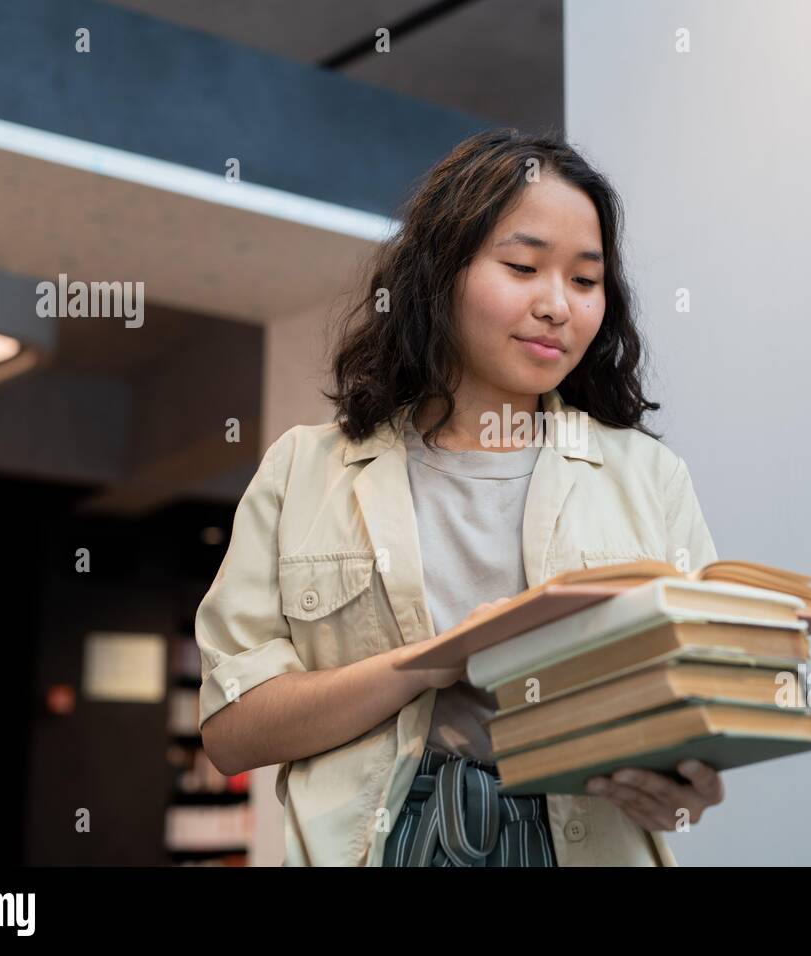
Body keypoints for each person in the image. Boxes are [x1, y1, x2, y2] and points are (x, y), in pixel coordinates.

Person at [196, 128, 725, 866]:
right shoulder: (304, 470)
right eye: (522, 266)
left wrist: (684, 790)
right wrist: (435, 661)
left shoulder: (649, 477)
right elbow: (231, 731)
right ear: (440, 273)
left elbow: (700, 704)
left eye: (584, 280)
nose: (557, 306)